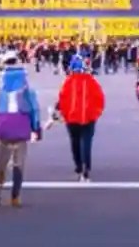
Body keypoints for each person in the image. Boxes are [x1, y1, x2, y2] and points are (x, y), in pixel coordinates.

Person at [0, 58, 42, 208]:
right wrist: (37, 129)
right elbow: (34, 112)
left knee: (0, 166)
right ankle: (15, 196)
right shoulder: (28, 93)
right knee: (19, 164)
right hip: (21, 132)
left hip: (2, 131)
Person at [56, 54, 105, 182]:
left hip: (72, 118)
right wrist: (96, 113)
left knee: (75, 141)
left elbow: (62, 99)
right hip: (89, 117)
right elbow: (99, 98)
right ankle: (86, 166)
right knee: (87, 142)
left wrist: (64, 114)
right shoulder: (91, 81)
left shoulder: (68, 82)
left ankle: (78, 165)